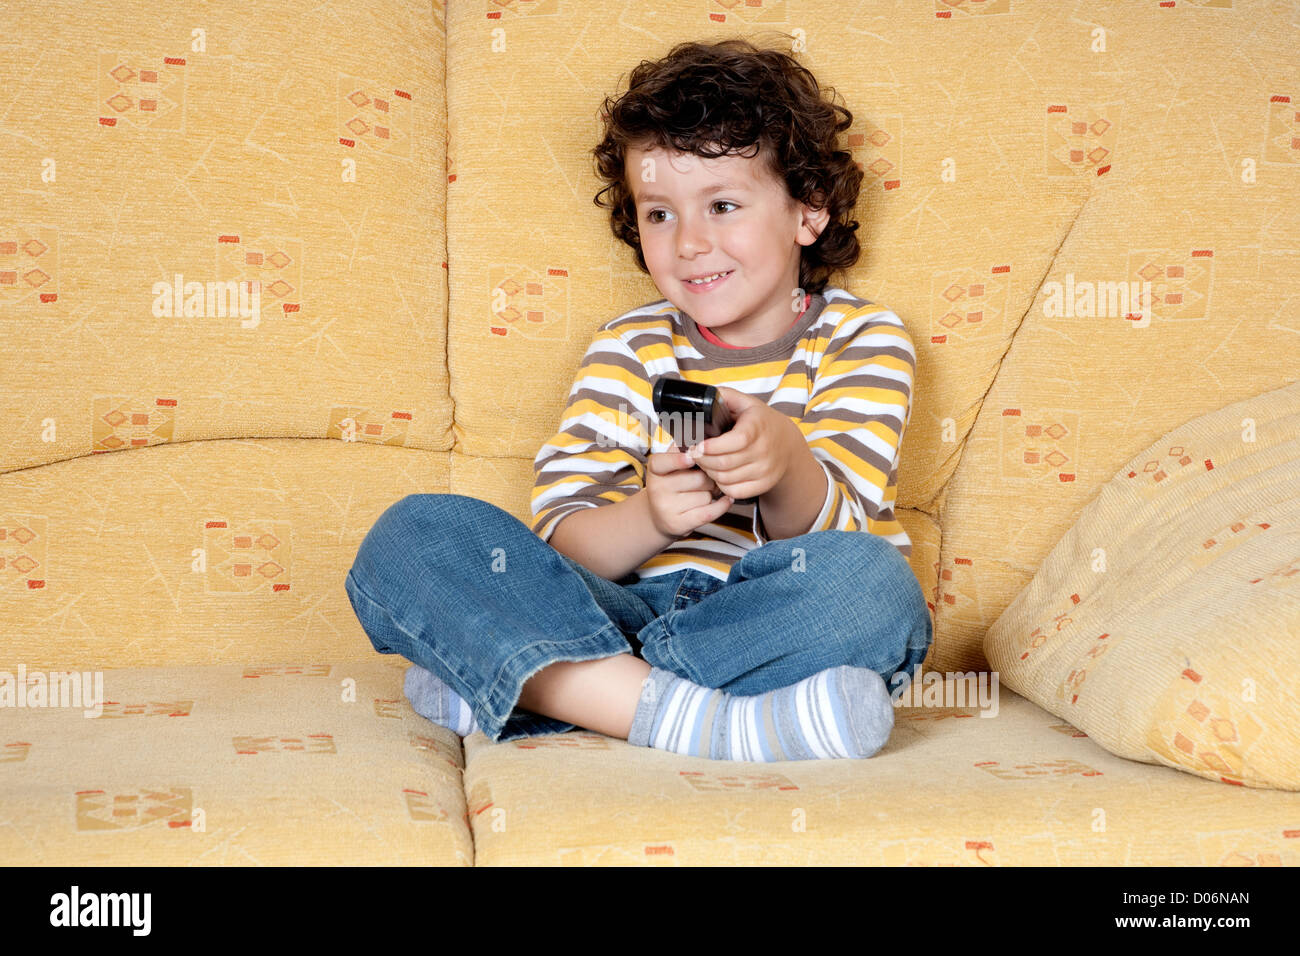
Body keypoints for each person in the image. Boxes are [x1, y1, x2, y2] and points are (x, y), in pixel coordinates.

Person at [344, 36, 932, 762]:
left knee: (876, 591)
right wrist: (651, 516)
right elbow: (565, 544)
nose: (689, 242)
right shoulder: (627, 345)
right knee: (415, 534)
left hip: (766, 617)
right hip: (615, 613)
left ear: (808, 213)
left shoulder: (863, 336)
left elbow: (841, 533)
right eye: (659, 213)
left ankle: (543, 688)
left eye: (722, 204)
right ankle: (710, 724)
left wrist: (785, 466)